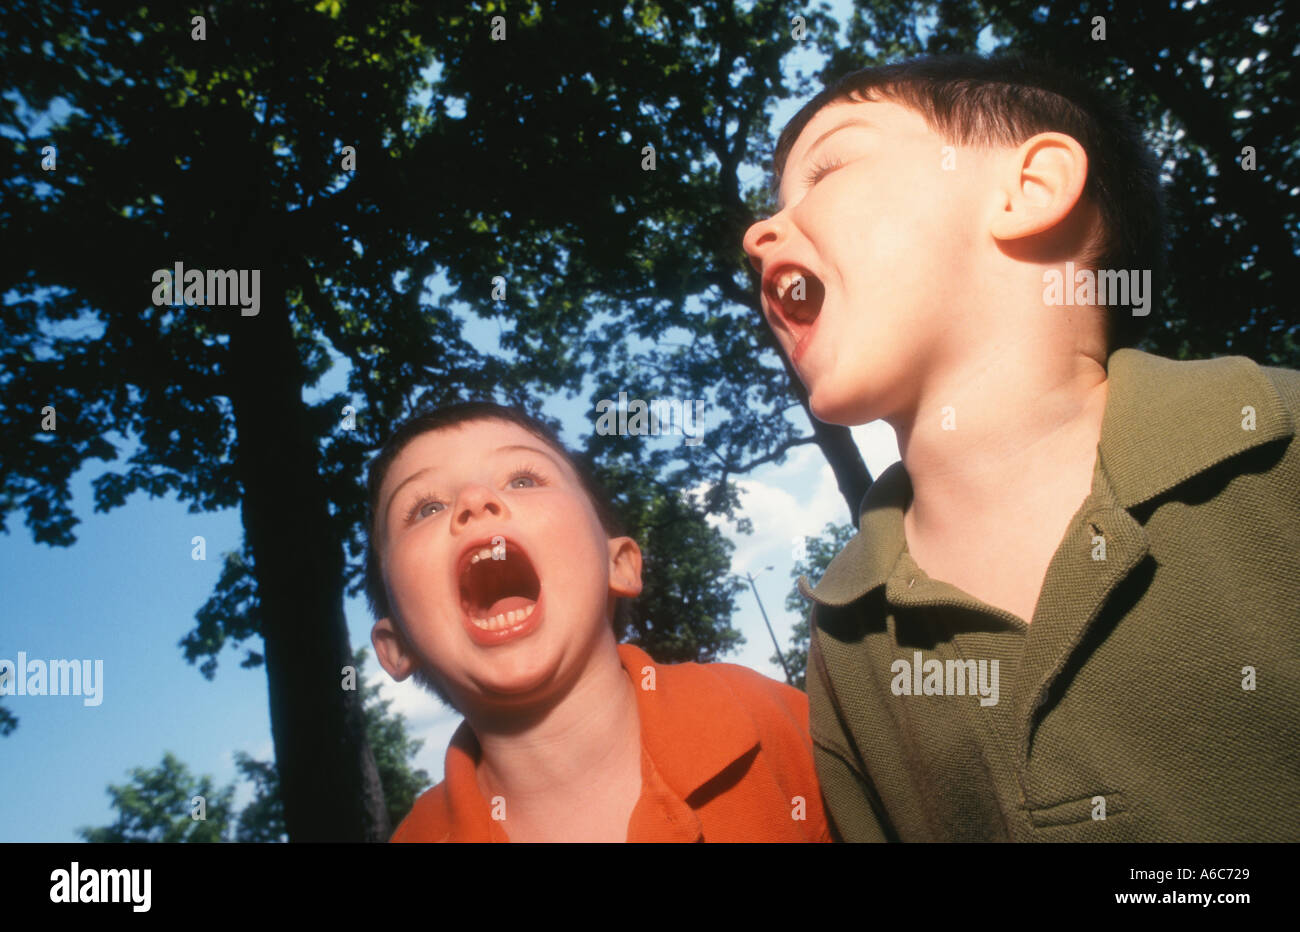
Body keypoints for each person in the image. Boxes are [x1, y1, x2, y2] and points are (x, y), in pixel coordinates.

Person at [742, 54, 1300, 841]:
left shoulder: (1277, 448)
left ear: (1030, 190)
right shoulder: (847, 638)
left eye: (827, 167)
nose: (759, 233)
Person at [364, 401, 830, 842]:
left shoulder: (772, 720)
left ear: (620, 565)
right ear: (396, 645)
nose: (474, 500)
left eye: (523, 480)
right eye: (426, 508)